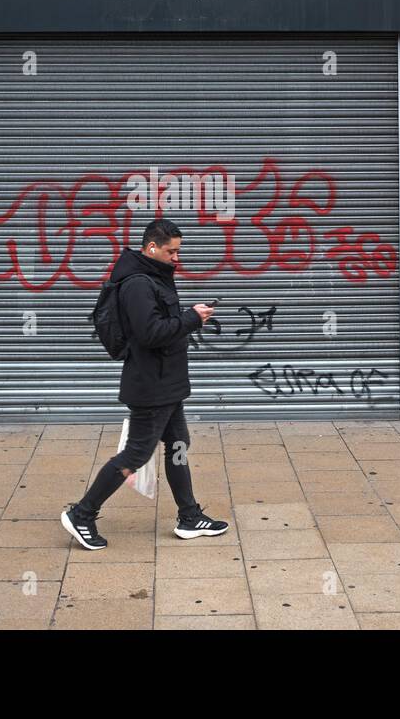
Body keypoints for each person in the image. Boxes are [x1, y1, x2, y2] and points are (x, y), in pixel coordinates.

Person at [61, 218, 229, 550]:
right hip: (151, 386)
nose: (176, 258)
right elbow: (150, 333)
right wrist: (192, 318)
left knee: (178, 444)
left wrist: (189, 318)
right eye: (171, 251)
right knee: (136, 453)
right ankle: (82, 514)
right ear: (151, 248)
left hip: (168, 382)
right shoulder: (138, 284)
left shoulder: (154, 277)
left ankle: (189, 515)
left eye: (178, 251)